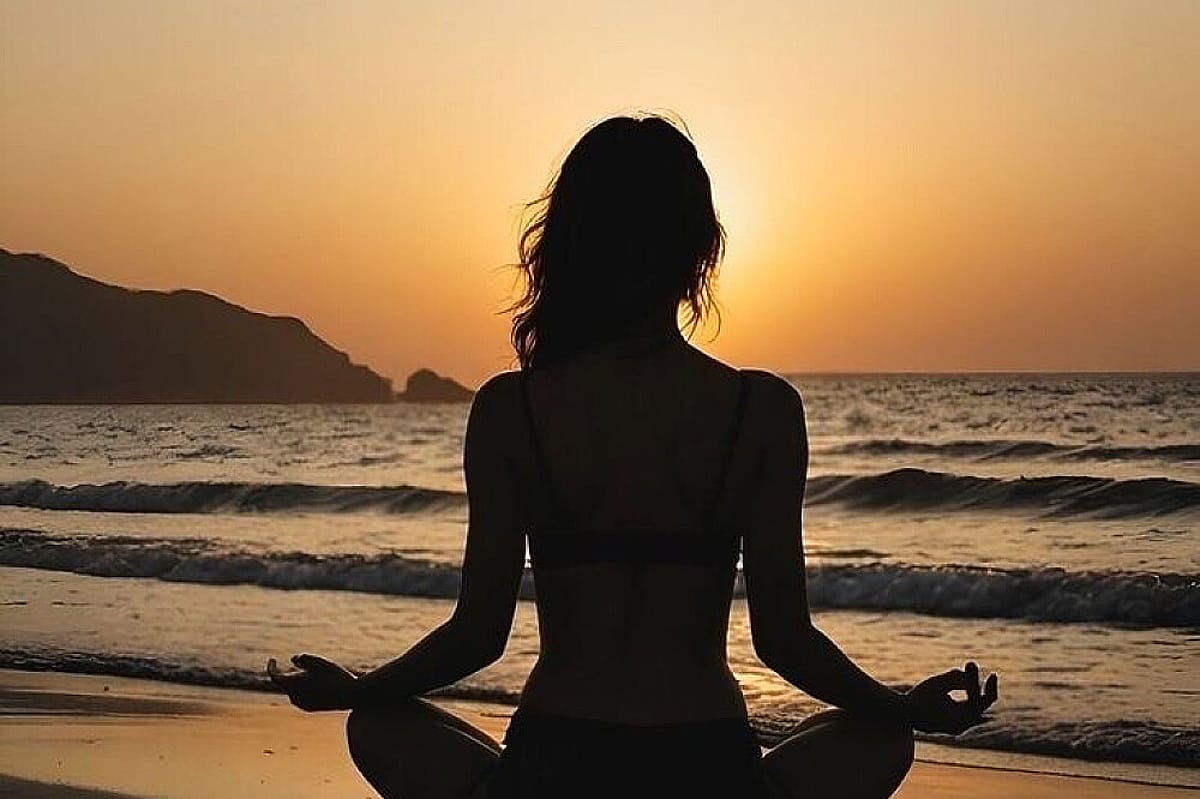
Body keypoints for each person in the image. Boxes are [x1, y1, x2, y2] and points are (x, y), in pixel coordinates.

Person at [267, 113, 998, 799]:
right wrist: (901, 705)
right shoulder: (762, 411)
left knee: (379, 726)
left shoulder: (510, 409)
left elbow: (478, 634)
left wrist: (359, 689)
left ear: (570, 246)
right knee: (881, 738)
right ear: (698, 249)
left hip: (555, 763)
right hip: (708, 763)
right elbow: (785, 640)